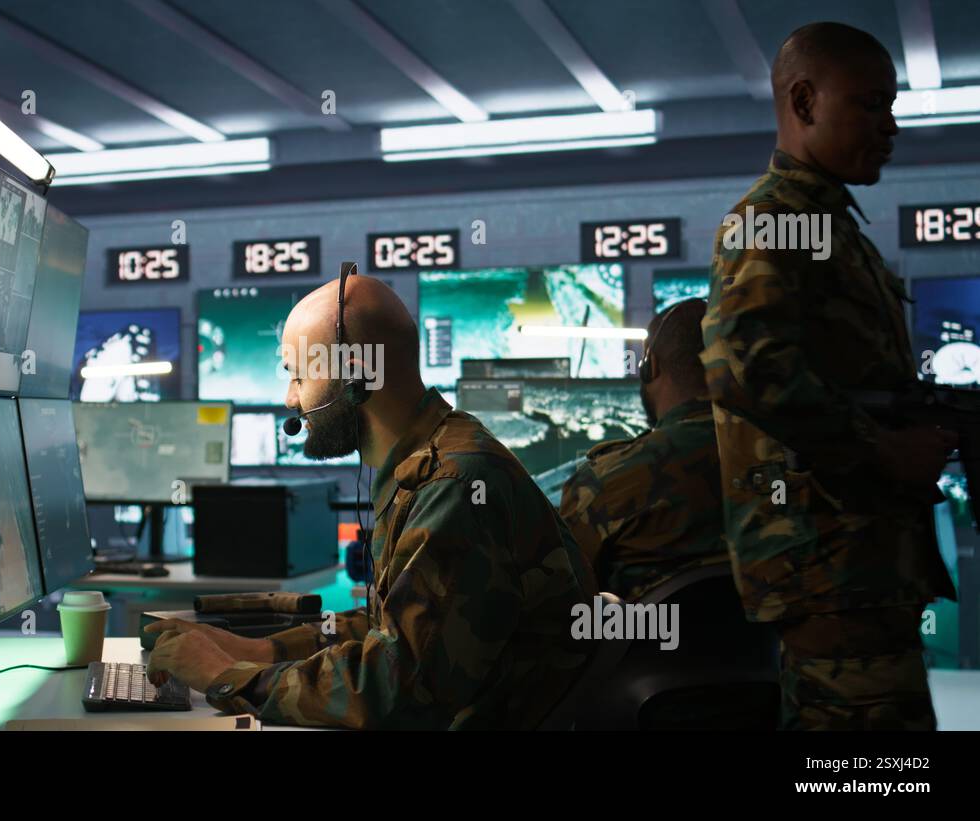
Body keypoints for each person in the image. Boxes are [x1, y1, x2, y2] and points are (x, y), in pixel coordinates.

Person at [145, 271, 596, 729]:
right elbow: (392, 629)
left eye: (300, 375)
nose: (289, 399)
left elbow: (396, 688)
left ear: (357, 374)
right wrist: (256, 650)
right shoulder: (425, 463)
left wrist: (224, 676)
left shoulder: (452, 486)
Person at [700, 21, 957, 730]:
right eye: (871, 104)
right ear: (806, 101)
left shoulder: (831, 227)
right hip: (830, 564)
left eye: (892, 105)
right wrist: (883, 449)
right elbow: (742, 365)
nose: (891, 125)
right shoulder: (775, 221)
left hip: (858, 563)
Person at [560, 299, 727, 602]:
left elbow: (558, 596)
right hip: (766, 649)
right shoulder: (783, 458)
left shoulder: (604, 483)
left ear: (651, 367)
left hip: (644, 647)